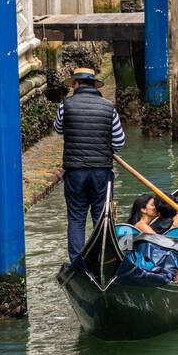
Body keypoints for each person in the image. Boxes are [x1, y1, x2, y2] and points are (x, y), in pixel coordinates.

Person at [55, 67, 126, 262]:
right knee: (101, 216)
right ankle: (103, 258)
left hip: (75, 172)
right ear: (94, 85)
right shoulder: (108, 107)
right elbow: (119, 142)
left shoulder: (65, 105)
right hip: (101, 172)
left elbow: (58, 128)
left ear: (76, 84)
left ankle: (78, 262)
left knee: (76, 217)